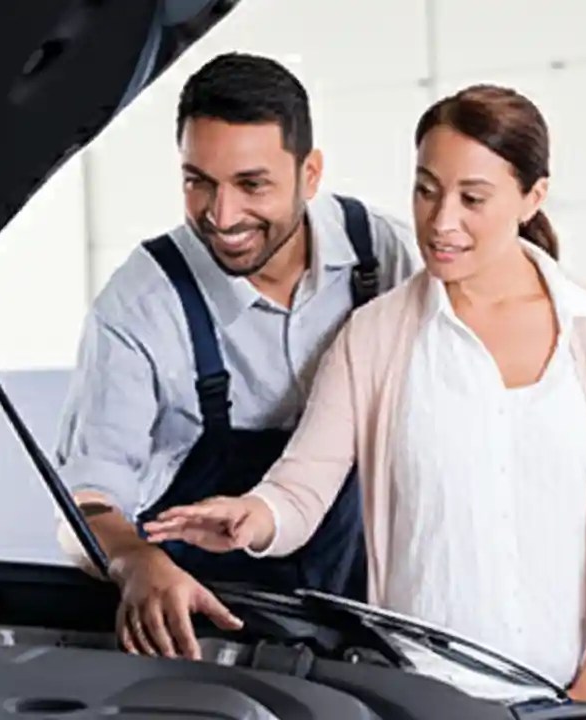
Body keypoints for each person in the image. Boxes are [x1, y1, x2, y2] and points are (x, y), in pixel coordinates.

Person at [142, 84, 586, 708]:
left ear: (533, 197)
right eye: (425, 189)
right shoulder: (378, 335)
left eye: (473, 198)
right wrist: (252, 520)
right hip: (432, 694)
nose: (441, 222)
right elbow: (301, 489)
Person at [52, 52, 420, 661]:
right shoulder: (140, 305)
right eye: (198, 181)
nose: (222, 218)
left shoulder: (377, 255)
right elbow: (85, 506)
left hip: (360, 616)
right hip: (203, 626)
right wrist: (135, 561)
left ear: (310, 174)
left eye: (252, 184)